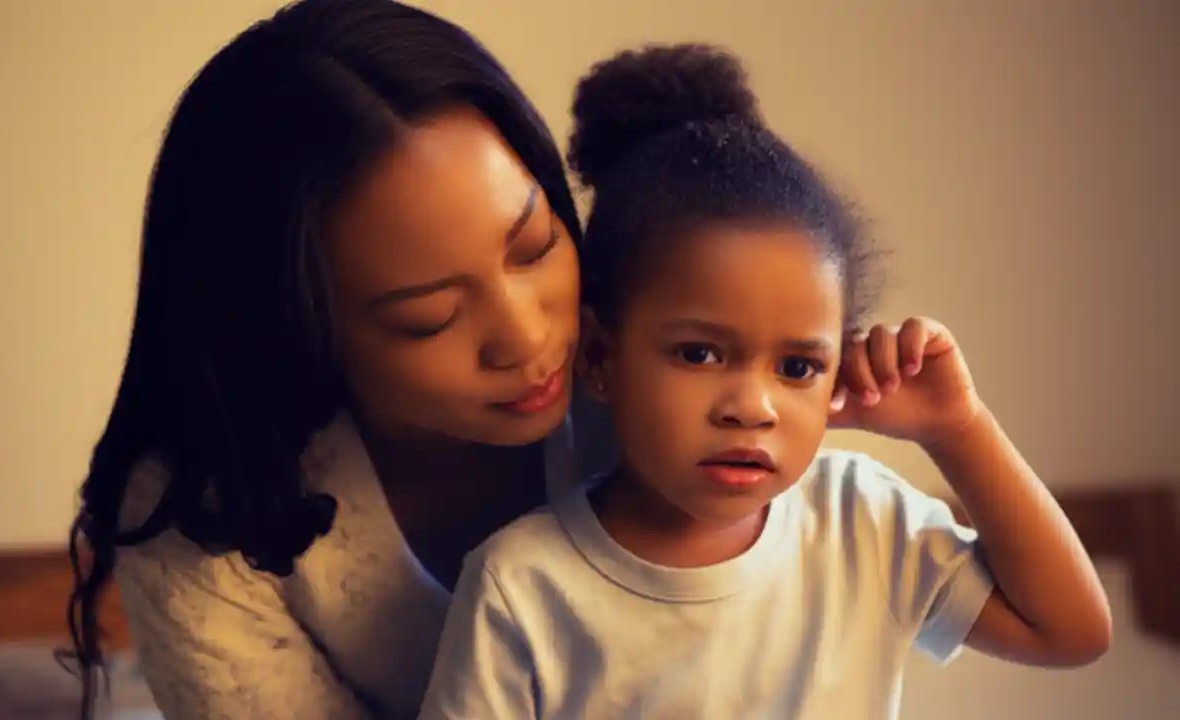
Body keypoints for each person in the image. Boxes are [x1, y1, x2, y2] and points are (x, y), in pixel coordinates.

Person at [419, 44, 1112, 719]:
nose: (751, 408)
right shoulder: (523, 585)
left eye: (797, 368)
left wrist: (957, 428)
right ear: (600, 358)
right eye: (698, 354)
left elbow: (1070, 632)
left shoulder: (861, 524)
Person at [65, 1, 592, 717]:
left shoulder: (674, 365)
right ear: (294, 326)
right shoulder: (207, 523)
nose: (527, 339)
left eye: (534, 247)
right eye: (428, 317)